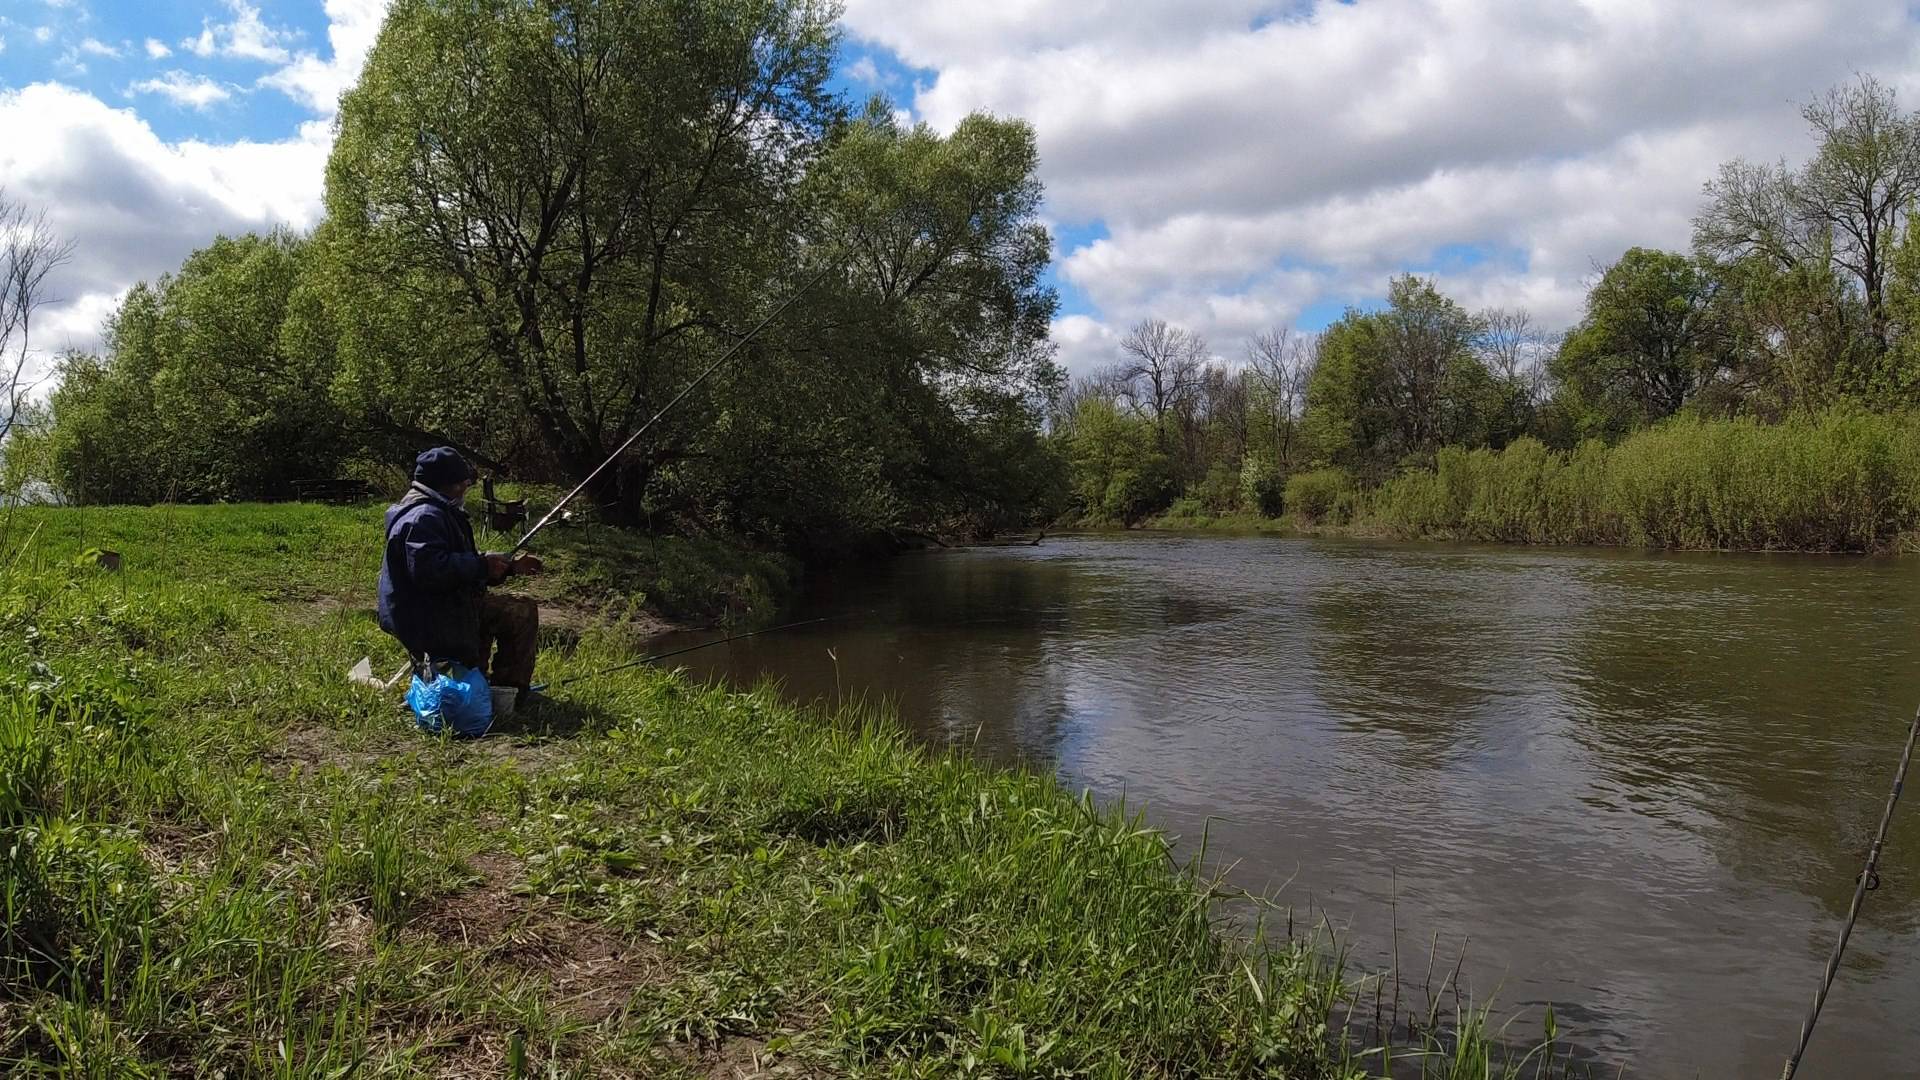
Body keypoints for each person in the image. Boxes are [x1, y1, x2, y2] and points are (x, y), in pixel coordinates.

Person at [377, 447, 544, 700]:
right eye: (464, 484)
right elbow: (430, 570)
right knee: (520, 611)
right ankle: (512, 691)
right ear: (449, 485)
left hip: (434, 605)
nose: (466, 489)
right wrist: (482, 566)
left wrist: (507, 566)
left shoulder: (431, 510)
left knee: (492, 608)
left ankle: (487, 685)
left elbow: (452, 560)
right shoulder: (424, 517)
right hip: (428, 616)